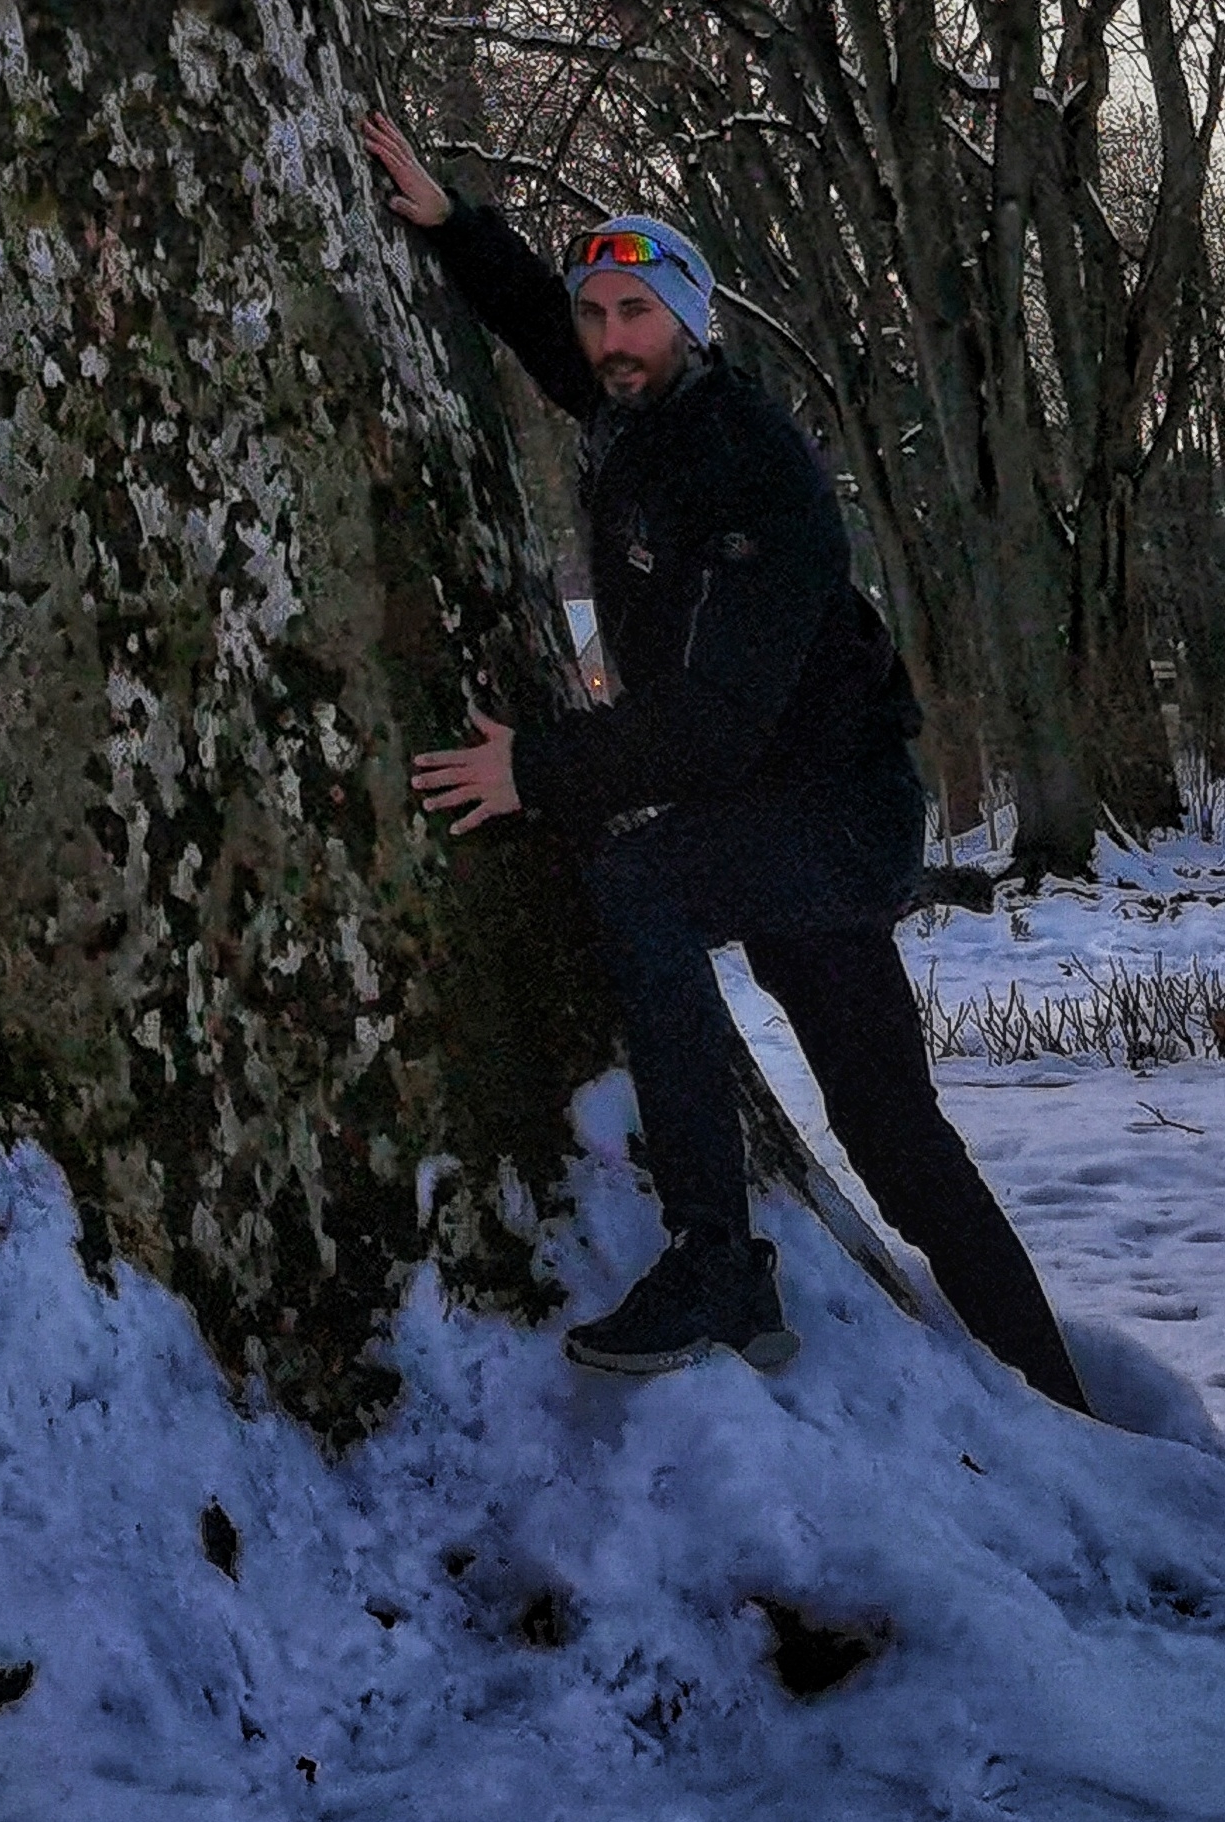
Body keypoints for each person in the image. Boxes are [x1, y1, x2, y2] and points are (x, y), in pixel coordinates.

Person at [362, 114, 1087, 1410]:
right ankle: (1059, 1396)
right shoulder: (645, 408)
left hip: (828, 815)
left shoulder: (742, 456)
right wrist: (454, 222)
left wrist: (536, 766)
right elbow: (545, 333)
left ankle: (715, 1259)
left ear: (690, 320)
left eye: (634, 310)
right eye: (597, 312)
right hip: (787, 822)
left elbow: (714, 719)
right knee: (894, 1137)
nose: (606, 337)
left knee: (643, 885)